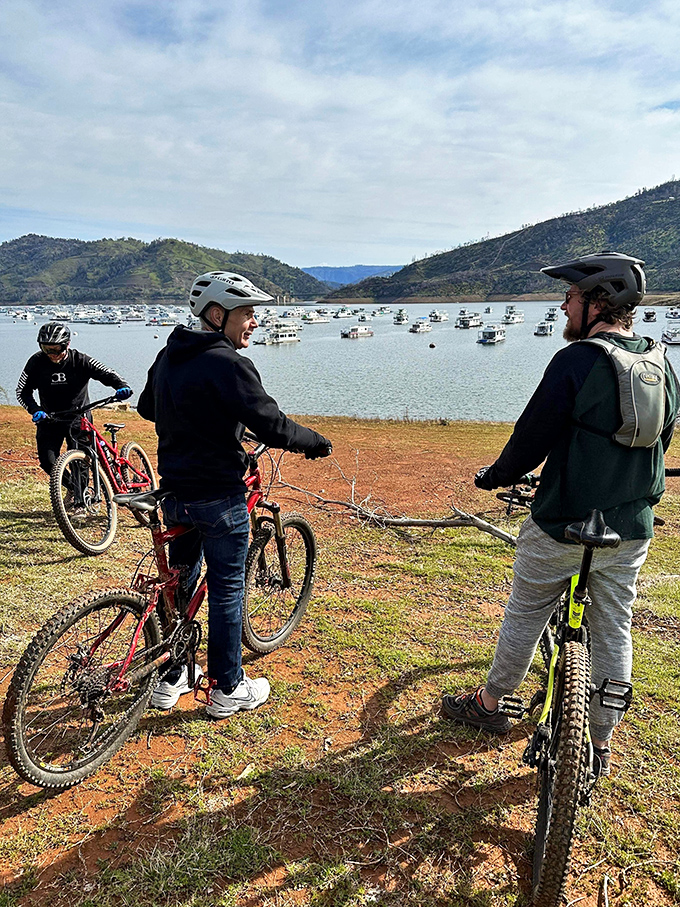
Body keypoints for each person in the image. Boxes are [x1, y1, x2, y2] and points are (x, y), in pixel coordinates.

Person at [442, 251, 680, 778]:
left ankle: (489, 704)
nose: (563, 306)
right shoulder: (661, 362)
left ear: (597, 302)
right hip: (631, 527)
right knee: (615, 626)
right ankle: (598, 744)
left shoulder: (577, 360)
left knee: (526, 611)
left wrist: (497, 475)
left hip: (563, 520)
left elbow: (531, 437)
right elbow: (662, 438)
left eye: (570, 297)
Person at [137, 271, 332, 720]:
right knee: (226, 590)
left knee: (181, 581)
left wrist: (207, 418)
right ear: (217, 313)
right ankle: (228, 688)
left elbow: (149, 406)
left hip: (175, 491)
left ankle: (174, 677)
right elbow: (272, 424)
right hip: (219, 496)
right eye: (247, 314)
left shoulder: (171, 351)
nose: (253, 323)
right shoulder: (227, 362)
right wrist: (314, 442)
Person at [16, 322, 133, 478]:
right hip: (49, 419)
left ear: (66, 344)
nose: (52, 354)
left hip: (79, 419)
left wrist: (121, 386)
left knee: (80, 463)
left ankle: (81, 499)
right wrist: (35, 409)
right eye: (46, 348)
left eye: (56, 349)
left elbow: (107, 373)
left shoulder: (80, 360)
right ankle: (70, 489)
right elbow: (22, 392)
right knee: (47, 462)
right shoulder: (36, 362)